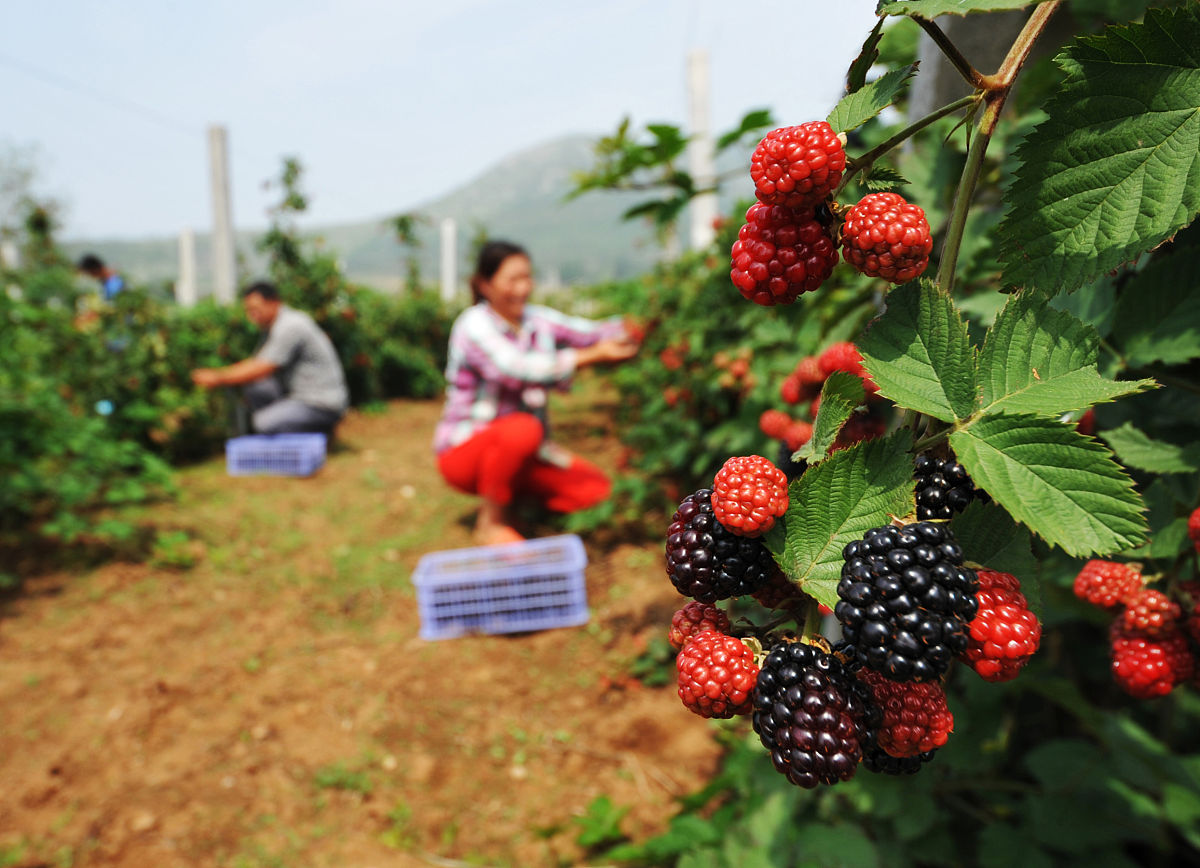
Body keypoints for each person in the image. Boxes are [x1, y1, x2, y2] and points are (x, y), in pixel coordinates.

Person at [434, 240, 641, 545]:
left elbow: (587, 331)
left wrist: (633, 327)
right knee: (523, 429)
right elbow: (516, 368)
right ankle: (491, 522)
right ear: (485, 285)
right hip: (466, 451)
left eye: (527, 277)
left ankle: (519, 504)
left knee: (596, 490)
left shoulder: (537, 321)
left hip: (528, 450)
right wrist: (590, 356)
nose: (523, 288)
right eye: (512, 279)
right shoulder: (473, 325)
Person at [191, 281, 349, 435]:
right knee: (255, 388)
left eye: (255, 309)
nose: (251, 316)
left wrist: (218, 377)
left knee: (263, 423)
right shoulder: (272, 328)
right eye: (248, 311)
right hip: (298, 396)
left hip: (320, 404)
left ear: (273, 302)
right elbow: (256, 363)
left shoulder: (291, 326)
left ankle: (318, 437)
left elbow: (262, 367)